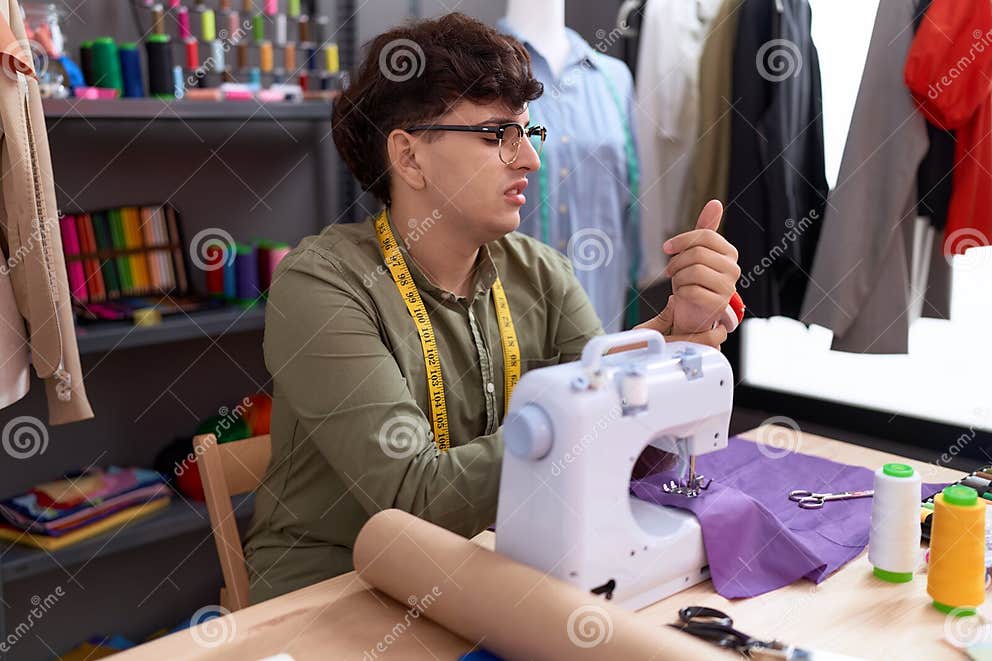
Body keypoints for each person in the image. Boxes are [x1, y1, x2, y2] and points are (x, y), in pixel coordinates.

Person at [243, 12, 741, 604]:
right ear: (408, 156)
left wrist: (671, 349)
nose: (529, 159)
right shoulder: (320, 286)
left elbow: (625, 456)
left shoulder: (540, 271)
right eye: (495, 135)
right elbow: (414, 498)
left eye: (529, 134)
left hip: (492, 567)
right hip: (336, 590)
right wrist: (622, 390)